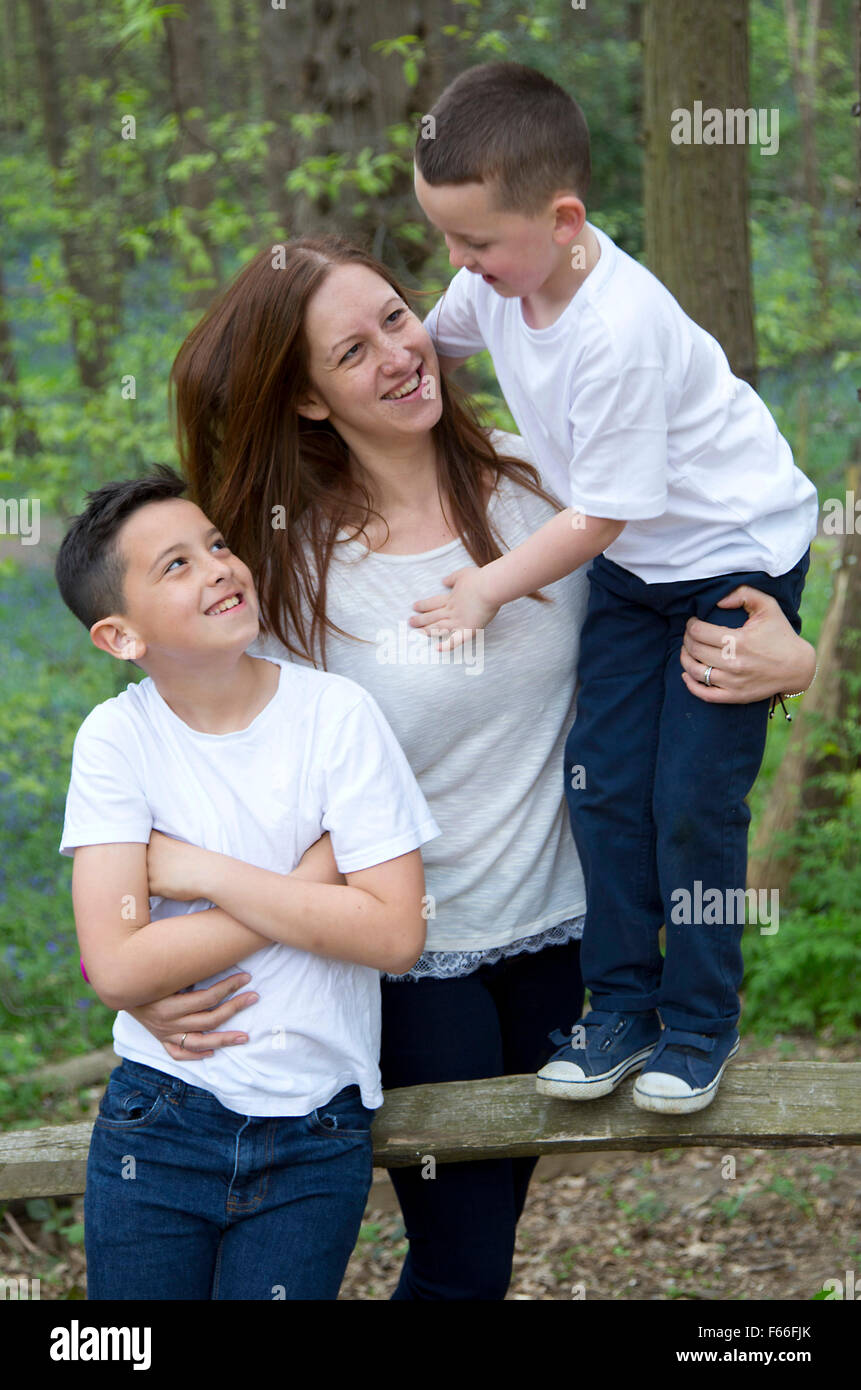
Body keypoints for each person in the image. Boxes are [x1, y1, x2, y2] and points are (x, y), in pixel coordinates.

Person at [125, 235, 816, 1300]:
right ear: (309, 401)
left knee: (478, 1261)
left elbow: (699, 590)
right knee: (463, 1264)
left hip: (569, 946)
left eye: (398, 319)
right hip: (415, 958)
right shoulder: (290, 566)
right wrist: (164, 971)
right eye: (351, 353)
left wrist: (793, 660)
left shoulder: (551, 481)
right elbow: (214, 770)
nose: (399, 356)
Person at [409, 62, 819, 1114]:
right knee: (599, 780)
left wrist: (486, 589)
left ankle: (700, 1022)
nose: (460, 265)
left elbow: (600, 516)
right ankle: (622, 1006)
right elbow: (425, 354)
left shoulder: (620, 332)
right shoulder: (497, 280)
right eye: (448, 241)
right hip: (641, 573)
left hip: (730, 560)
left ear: (564, 218)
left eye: (478, 244)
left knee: (690, 798)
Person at [56, 468, 438, 1300]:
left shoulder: (336, 716)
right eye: (177, 565)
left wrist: (205, 874)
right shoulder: (117, 741)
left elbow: (394, 936)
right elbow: (118, 970)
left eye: (218, 545)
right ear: (121, 637)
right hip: (159, 1117)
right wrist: (302, 889)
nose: (221, 566)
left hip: (318, 1128)